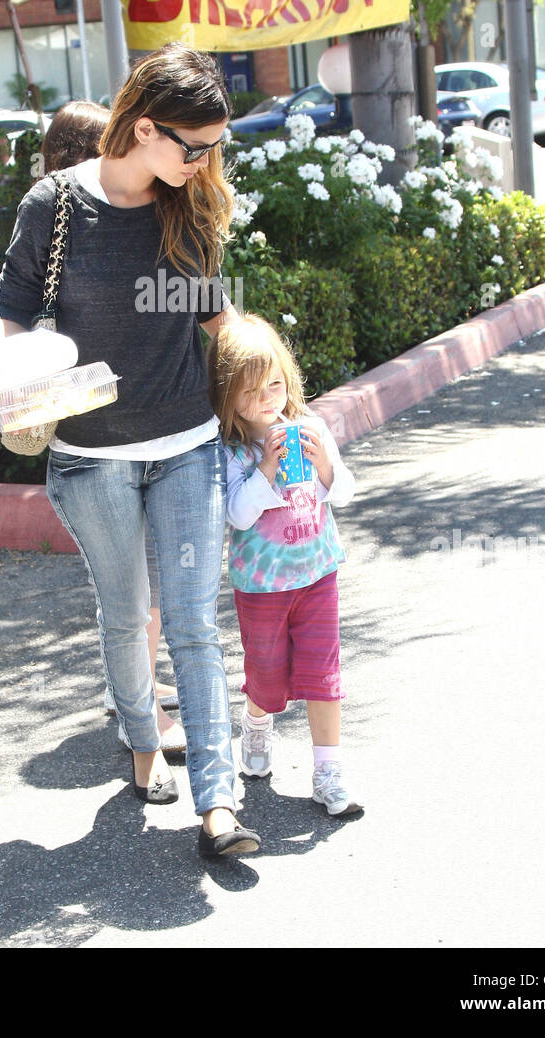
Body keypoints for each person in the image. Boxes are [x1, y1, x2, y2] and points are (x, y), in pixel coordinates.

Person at [0, 44, 260, 859]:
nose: (207, 160)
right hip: (91, 453)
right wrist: (11, 372)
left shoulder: (191, 203)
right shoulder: (54, 205)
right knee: (124, 614)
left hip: (184, 442)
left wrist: (271, 390)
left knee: (192, 626)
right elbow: (12, 310)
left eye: (214, 145)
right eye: (195, 145)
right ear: (144, 128)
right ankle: (145, 744)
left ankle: (218, 802)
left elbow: (211, 313)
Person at [40, 100, 184, 751]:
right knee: (136, 582)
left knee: (133, 580)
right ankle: (138, 705)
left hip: (110, 420)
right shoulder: (76, 223)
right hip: (107, 425)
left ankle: (135, 689)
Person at [207, 313, 362, 817]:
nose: (268, 399)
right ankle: (255, 723)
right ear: (228, 396)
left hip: (317, 573)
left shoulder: (309, 428)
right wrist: (267, 472)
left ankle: (328, 771)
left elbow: (343, 491)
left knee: (323, 672)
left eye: (275, 384)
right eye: (252, 392)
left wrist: (324, 467)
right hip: (263, 586)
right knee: (268, 676)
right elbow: (237, 513)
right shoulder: (232, 451)